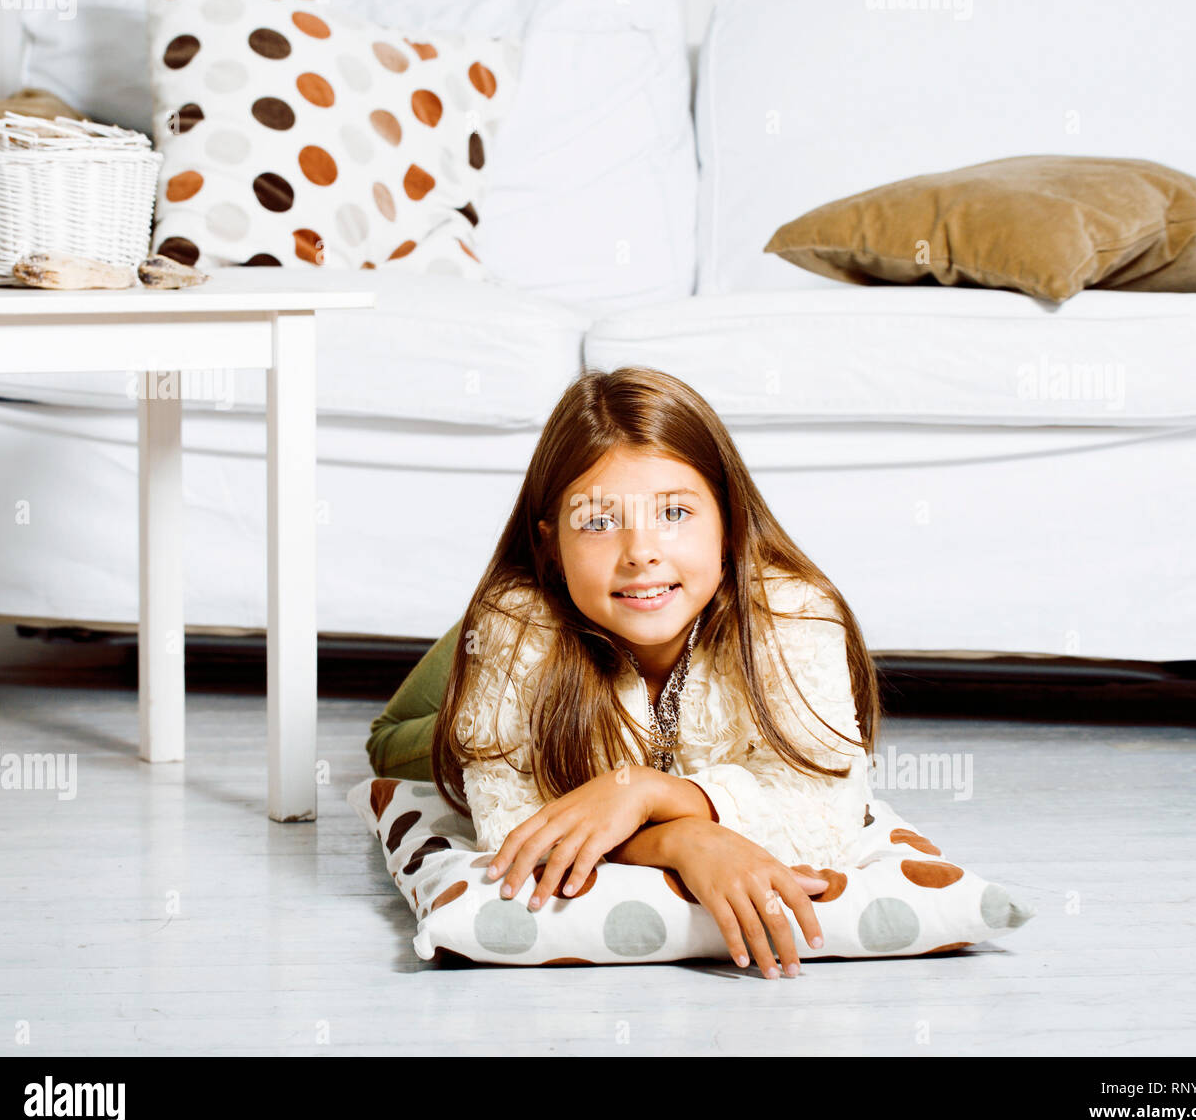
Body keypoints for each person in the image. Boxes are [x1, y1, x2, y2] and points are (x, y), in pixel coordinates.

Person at [366, 366, 882, 979]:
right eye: (599, 521)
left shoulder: (792, 611)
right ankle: (477, 644)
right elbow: (512, 826)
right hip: (543, 629)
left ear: (728, 525)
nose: (641, 550)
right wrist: (678, 840)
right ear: (552, 544)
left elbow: (828, 810)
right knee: (403, 731)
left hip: (623, 602)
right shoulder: (516, 628)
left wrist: (652, 792)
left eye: (674, 512)